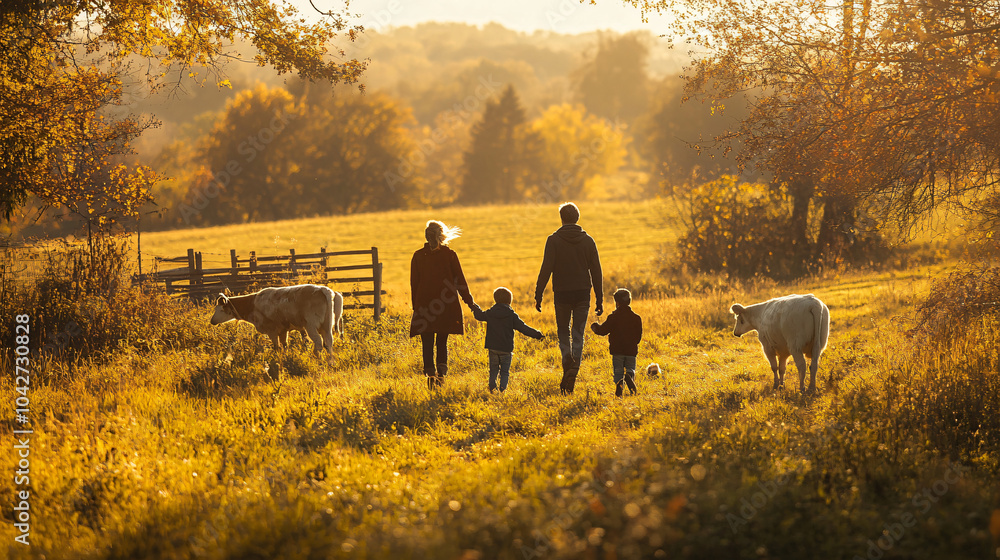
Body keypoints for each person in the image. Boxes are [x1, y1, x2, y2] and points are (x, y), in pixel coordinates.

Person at [534, 202, 603, 394]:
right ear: (577, 218)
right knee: (578, 332)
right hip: (582, 292)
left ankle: (566, 360)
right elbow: (596, 271)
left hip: (562, 293)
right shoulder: (588, 241)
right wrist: (599, 298)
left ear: (561, 218)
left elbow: (546, 268)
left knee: (563, 330)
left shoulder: (553, 240)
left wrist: (538, 294)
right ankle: (574, 368)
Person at [410, 220, 476, 389]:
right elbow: (460, 281)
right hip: (445, 306)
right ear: (442, 235)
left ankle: (430, 377)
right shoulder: (450, 255)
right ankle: (441, 377)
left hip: (424, 305)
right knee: (441, 341)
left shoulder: (418, 256)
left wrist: (415, 307)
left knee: (427, 342)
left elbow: (414, 283)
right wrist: (470, 302)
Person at [470, 287, 544, 393]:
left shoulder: (491, 313)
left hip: (493, 348)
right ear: (509, 300)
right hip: (506, 349)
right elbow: (523, 328)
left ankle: (492, 387)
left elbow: (479, 316)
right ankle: (502, 390)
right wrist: (537, 335)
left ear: (495, 299)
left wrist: (474, 307)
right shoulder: (511, 315)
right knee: (504, 372)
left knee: (493, 370)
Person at [591, 288, 643, 397]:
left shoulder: (613, 317)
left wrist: (595, 326)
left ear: (617, 302)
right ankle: (629, 376)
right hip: (631, 350)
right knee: (631, 368)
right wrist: (633, 343)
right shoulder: (636, 318)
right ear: (629, 301)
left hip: (617, 349)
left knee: (618, 371)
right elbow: (638, 337)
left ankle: (619, 387)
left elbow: (602, 331)